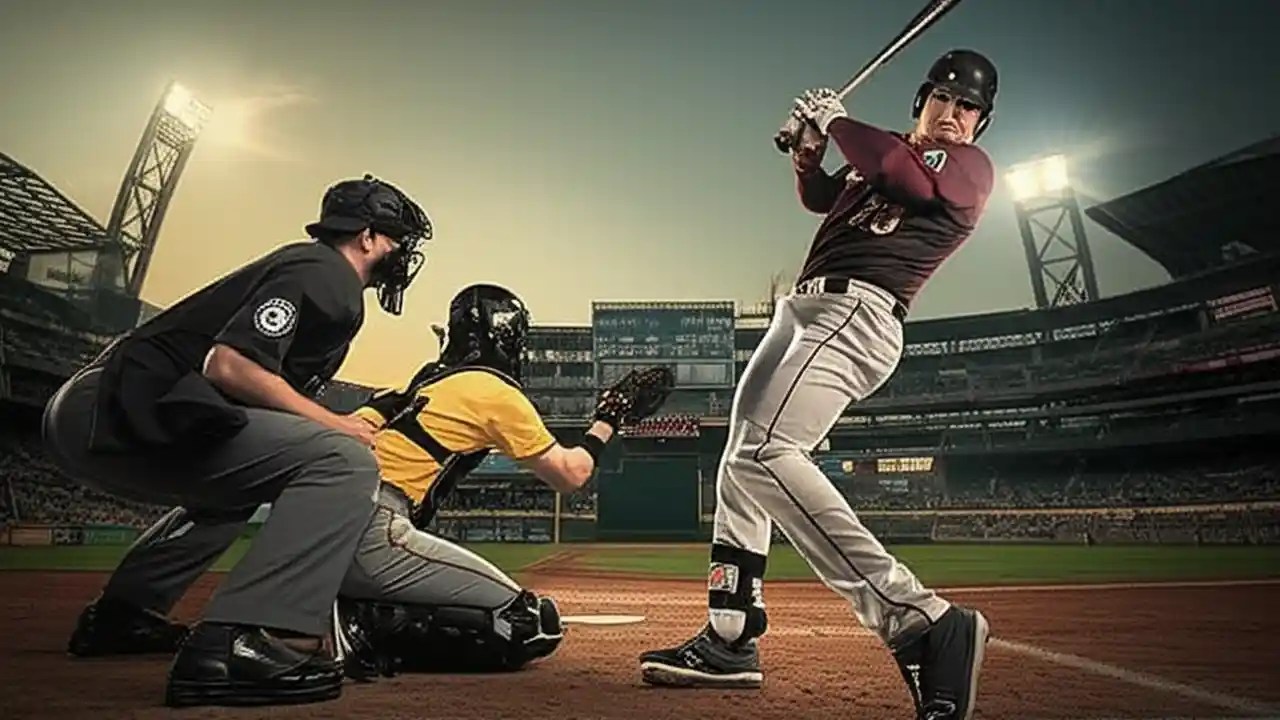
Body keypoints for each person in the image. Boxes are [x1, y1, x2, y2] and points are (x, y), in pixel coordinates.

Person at [637, 49, 999, 720]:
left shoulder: (964, 169)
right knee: (739, 467)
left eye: (968, 106)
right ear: (920, 103)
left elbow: (901, 176)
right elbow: (826, 197)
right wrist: (806, 157)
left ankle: (919, 618)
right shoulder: (887, 153)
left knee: (768, 455)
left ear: (980, 123)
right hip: (806, 311)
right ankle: (729, 635)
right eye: (942, 99)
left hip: (857, 310)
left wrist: (834, 120)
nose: (953, 113)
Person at [42, 173, 432, 708]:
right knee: (344, 461)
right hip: (115, 407)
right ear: (366, 237)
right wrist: (335, 424)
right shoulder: (326, 269)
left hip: (116, 408)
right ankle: (247, 643)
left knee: (242, 487)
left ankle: (123, 617)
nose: (400, 254)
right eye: (395, 239)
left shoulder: (319, 275)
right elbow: (229, 364)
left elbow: (249, 388)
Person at [327, 283, 674, 679]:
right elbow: (571, 474)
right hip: (373, 530)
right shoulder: (494, 390)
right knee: (528, 621)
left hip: (323, 524)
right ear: (505, 338)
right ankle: (365, 631)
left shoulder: (419, 386)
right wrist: (608, 419)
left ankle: (348, 606)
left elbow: (351, 431)